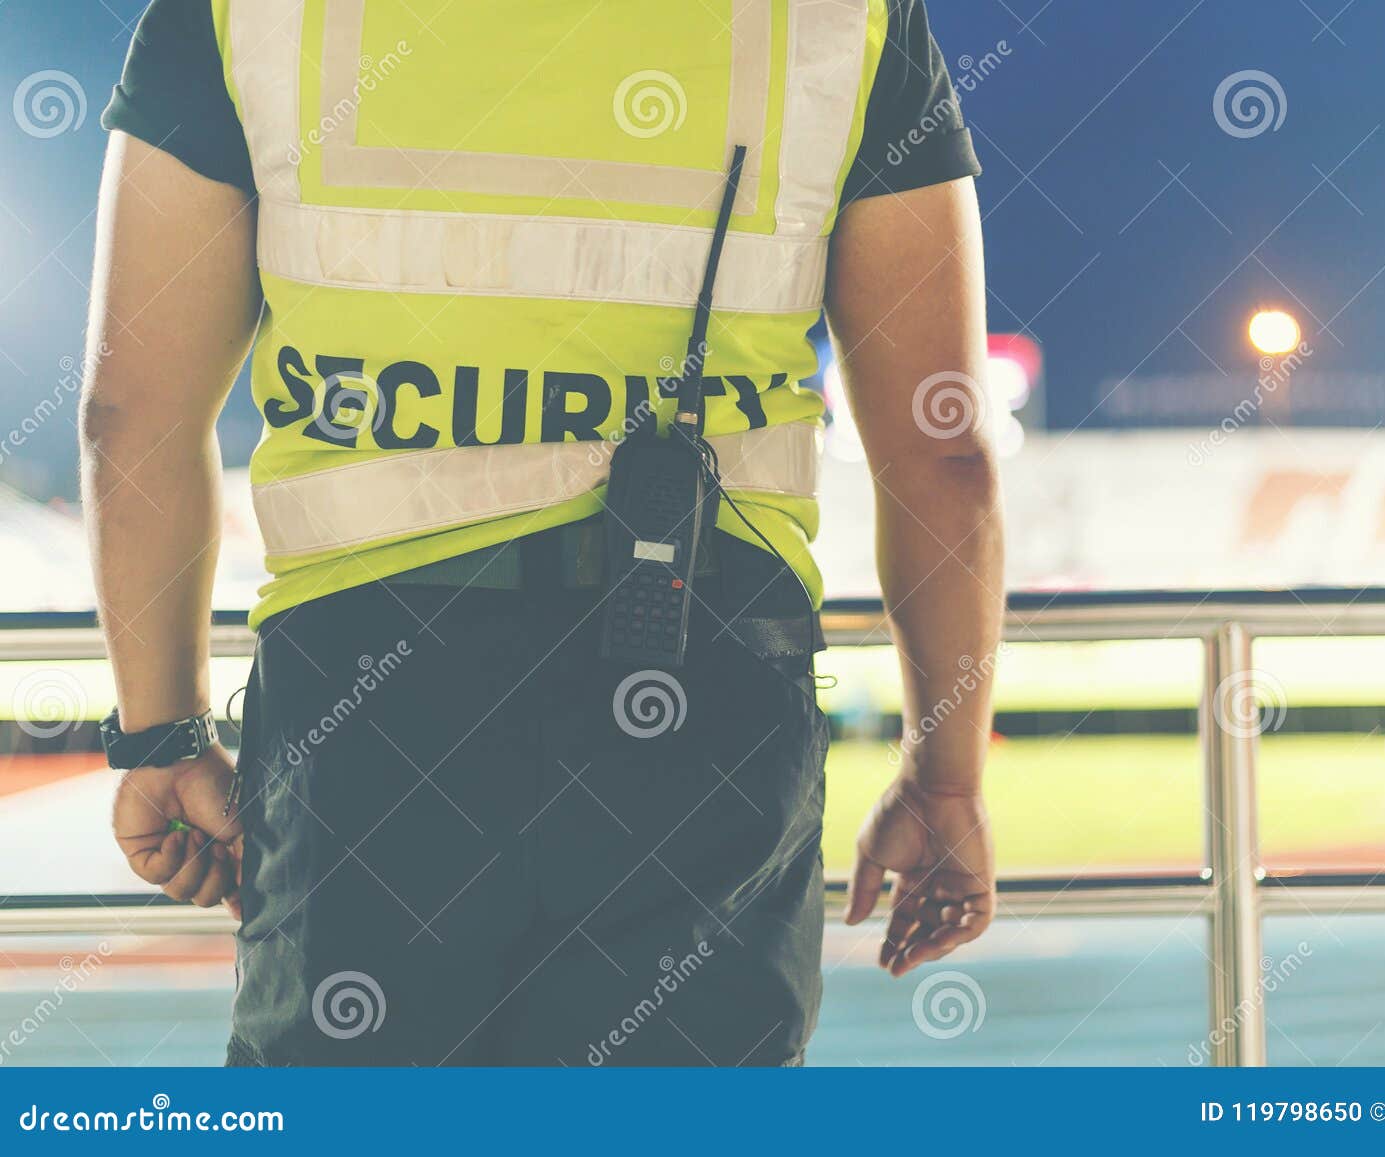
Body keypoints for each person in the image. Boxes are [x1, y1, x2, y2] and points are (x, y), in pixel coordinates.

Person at [83, 0, 1004, 1066]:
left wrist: (163, 737)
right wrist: (945, 778)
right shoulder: (847, 20)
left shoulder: (239, 15)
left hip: (370, 710)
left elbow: (129, 419)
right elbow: (944, 454)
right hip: (706, 689)